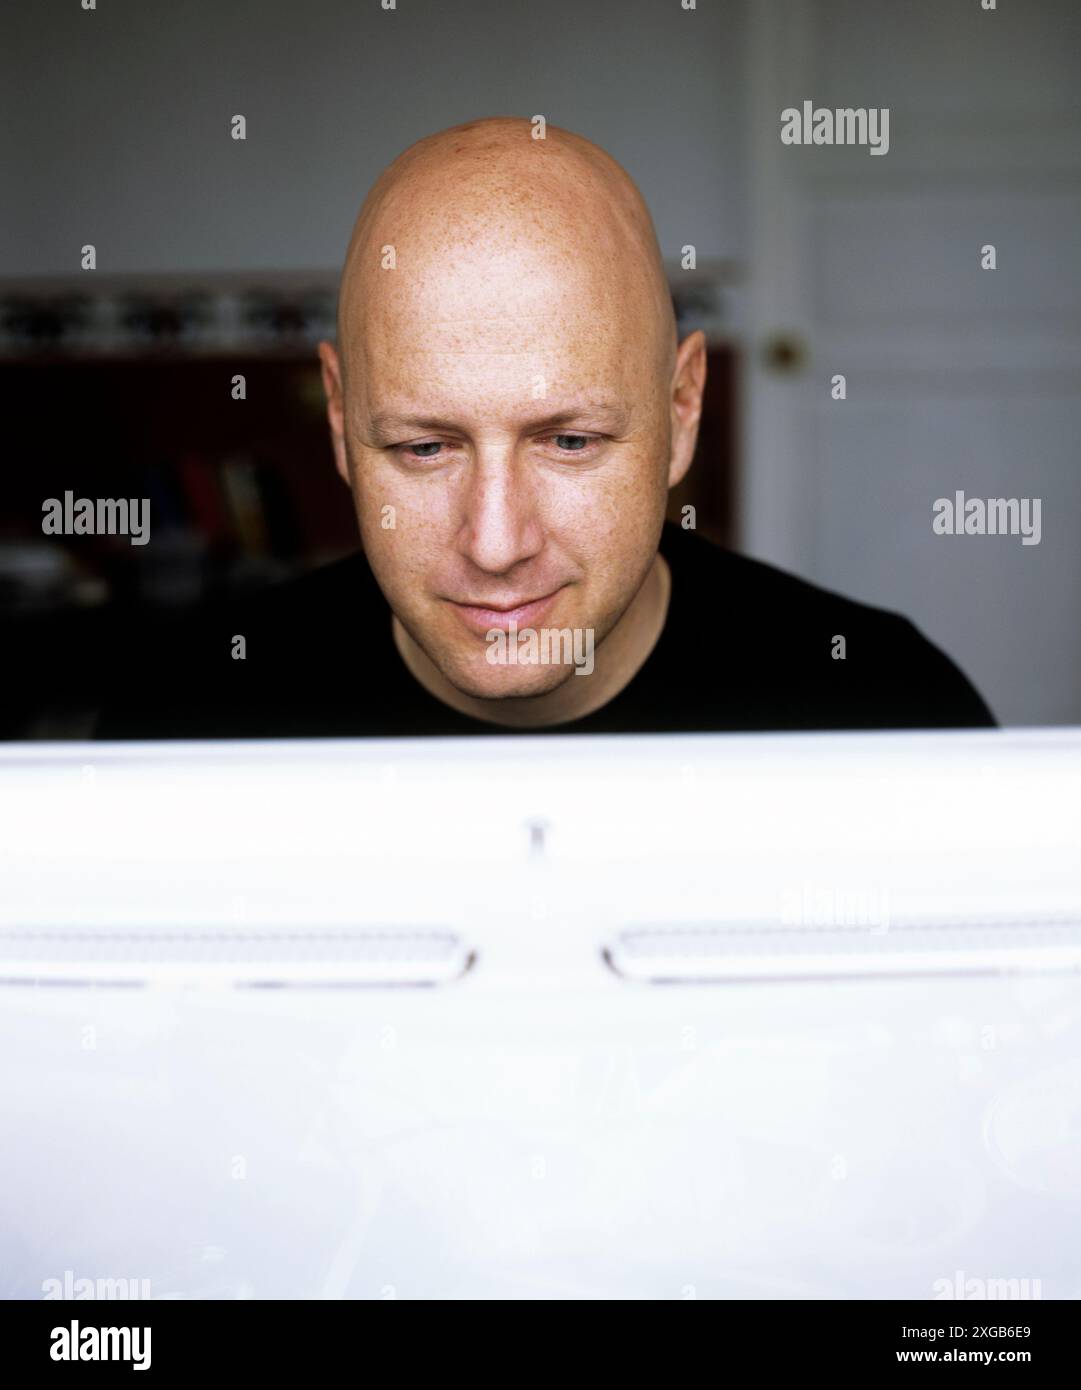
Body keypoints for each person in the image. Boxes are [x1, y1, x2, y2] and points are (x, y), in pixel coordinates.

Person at [98, 116, 994, 739]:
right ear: (338, 421)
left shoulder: (885, 712)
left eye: (569, 442)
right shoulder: (185, 723)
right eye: (423, 447)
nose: (494, 545)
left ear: (681, 411)